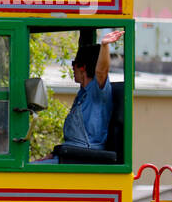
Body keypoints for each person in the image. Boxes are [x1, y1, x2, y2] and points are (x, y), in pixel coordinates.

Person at [41, 28, 123, 162]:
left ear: (83, 67)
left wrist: (104, 45)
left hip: (84, 157)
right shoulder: (82, 95)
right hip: (69, 155)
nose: (72, 68)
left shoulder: (97, 93)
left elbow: (101, 71)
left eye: (74, 64)